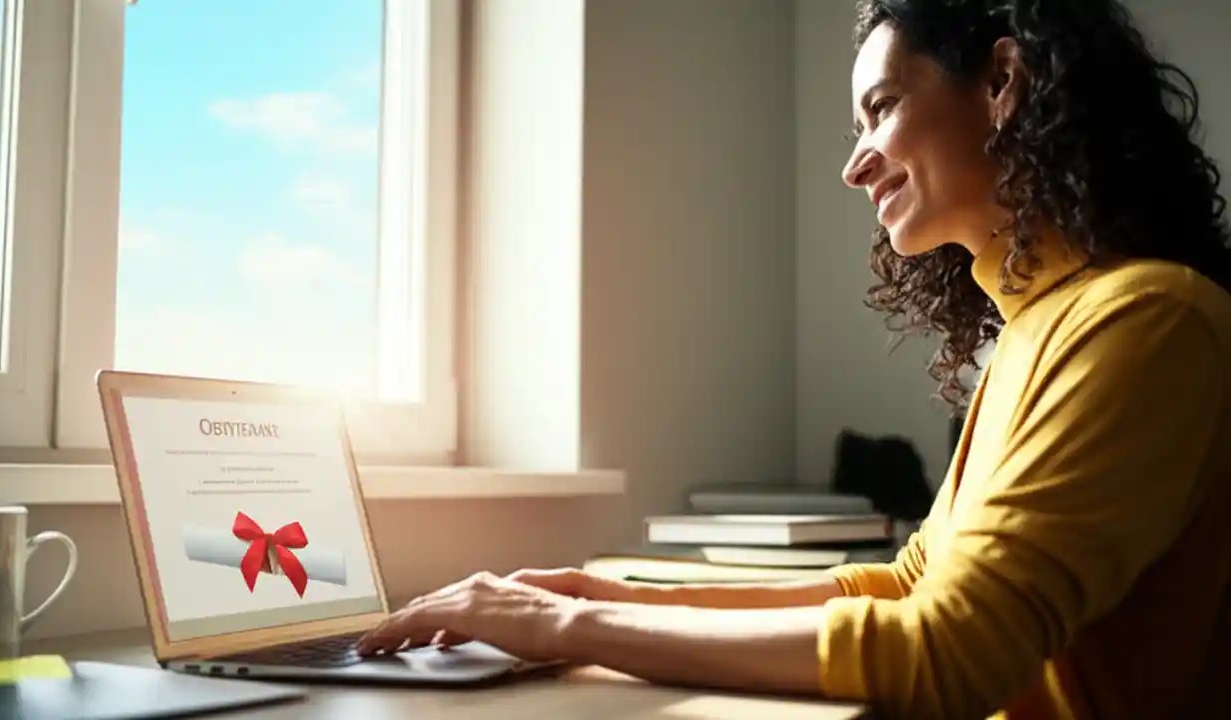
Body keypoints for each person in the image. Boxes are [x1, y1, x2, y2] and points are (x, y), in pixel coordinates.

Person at [358, 0, 1231, 716]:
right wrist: (599, 598)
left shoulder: (1149, 318)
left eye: (882, 108)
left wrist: (562, 630)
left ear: (1001, 82)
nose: (855, 166)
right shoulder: (1039, 328)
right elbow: (904, 584)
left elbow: (947, 652)